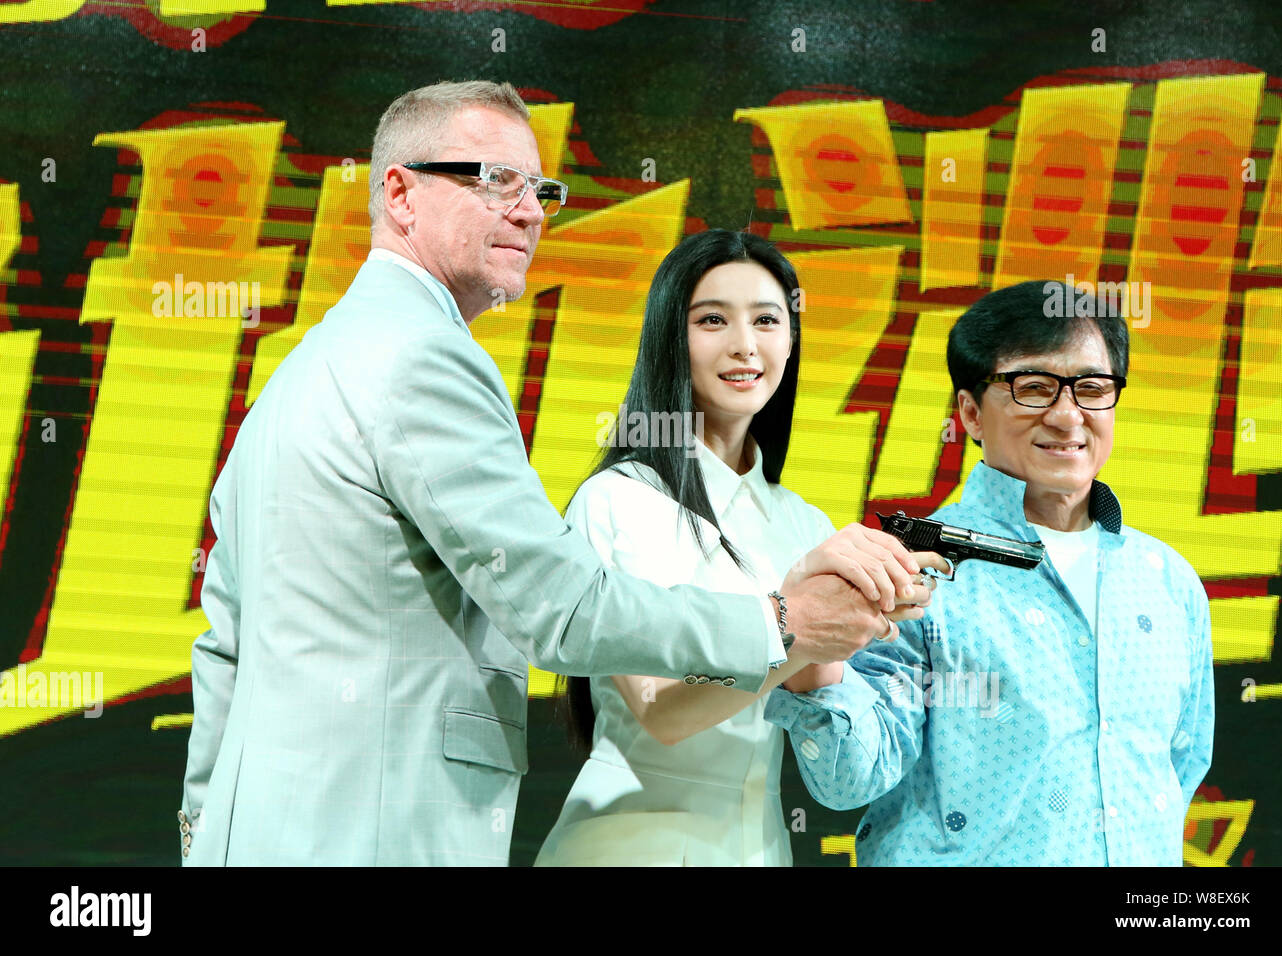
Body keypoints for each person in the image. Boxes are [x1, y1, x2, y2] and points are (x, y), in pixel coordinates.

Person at [179, 81, 895, 866]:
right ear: (399, 192)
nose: (530, 211)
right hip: (380, 832)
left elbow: (224, 651)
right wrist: (781, 623)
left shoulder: (294, 375)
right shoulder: (428, 358)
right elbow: (559, 611)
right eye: (496, 181)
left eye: (541, 189)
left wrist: (203, 833)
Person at [534, 230, 948, 866]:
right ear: (671, 336)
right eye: (712, 320)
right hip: (628, 845)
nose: (744, 345)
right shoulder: (618, 499)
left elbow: (820, 703)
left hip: (760, 849)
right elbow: (663, 711)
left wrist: (875, 614)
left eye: (766, 320)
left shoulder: (804, 522)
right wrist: (799, 614)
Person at [768, 280, 1215, 866]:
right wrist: (810, 649)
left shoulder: (1168, 579)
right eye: (1032, 388)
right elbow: (850, 780)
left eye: (1092, 388)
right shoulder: (912, 572)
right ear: (971, 413)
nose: (1066, 414)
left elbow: (1181, 765)